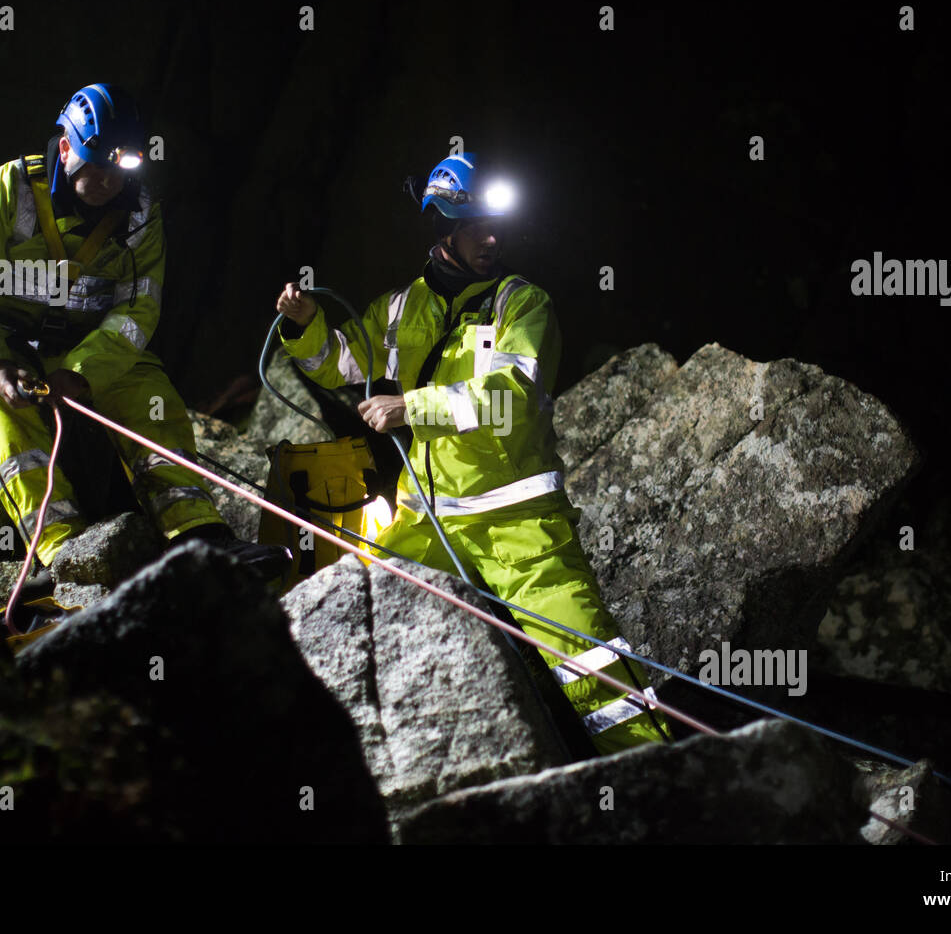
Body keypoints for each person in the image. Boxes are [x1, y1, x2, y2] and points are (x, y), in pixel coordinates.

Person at [274, 152, 670, 753]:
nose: (491, 238)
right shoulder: (399, 308)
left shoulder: (523, 303)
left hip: (516, 515)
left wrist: (413, 407)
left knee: (588, 661)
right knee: (362, 619)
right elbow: (334, 363)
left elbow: (512, 395)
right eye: (476, 227)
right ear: (444, 229)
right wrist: (304, 323)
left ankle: (652, 775)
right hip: (426, 513)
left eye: (498, 227)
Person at [0, 83, 285, 594]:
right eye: (92, 163)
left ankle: (201, 537)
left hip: (94, 351)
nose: (103, 180)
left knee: (153, 399)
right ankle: (61, 550)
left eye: (117, 167)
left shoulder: (141, 214)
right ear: (64, 149)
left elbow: (137, 311)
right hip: (17, 348)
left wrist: (80, 373)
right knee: (1, 409)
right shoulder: (8, 191)